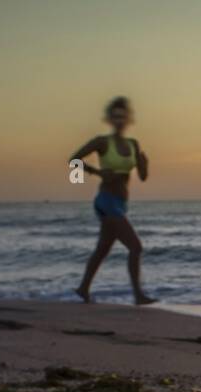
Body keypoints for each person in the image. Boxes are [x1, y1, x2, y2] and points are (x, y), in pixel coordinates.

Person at [69, 96, 156, 304]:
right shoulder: (102, 142)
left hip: (121, 203)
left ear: (128, 119)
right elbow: (73, 160)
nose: (119, 120)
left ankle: (83, 289)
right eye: (115, 116)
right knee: (135, 247)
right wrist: (98, 173)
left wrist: (144, 164)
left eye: (122, 116)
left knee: (103, 249)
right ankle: (138, 295)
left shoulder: (133, 144)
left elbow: (143, 177)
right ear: (110, 119)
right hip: (106, 201)